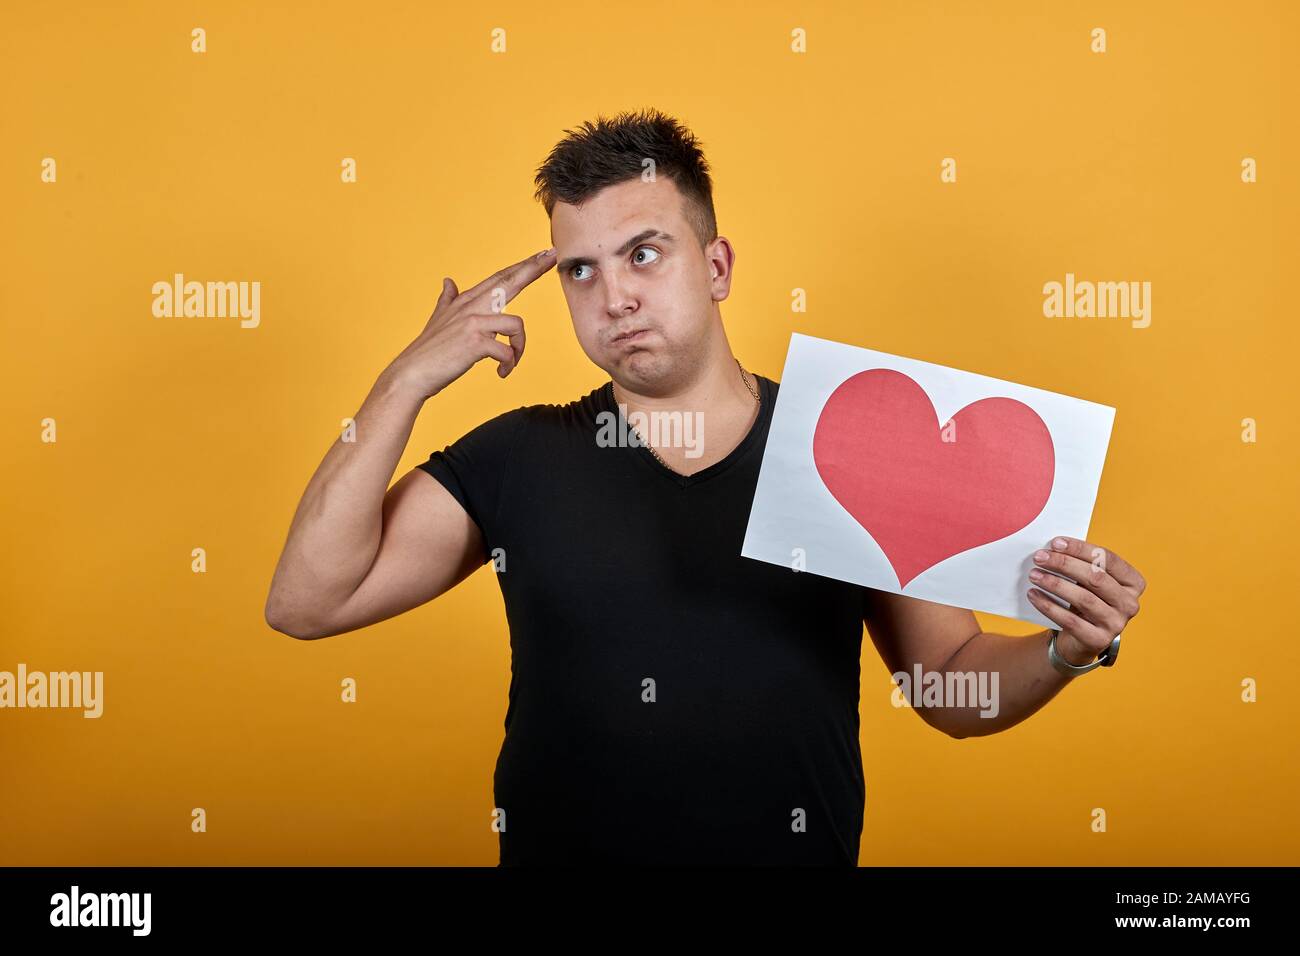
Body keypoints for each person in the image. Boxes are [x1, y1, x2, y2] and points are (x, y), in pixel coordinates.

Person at [264, 108, 1146, 865]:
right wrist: (405, 381)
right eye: (581, 270)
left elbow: (952, 684)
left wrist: (1066, 650)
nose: (613, 296)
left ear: (717, 267)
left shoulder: (843, 449)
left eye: (644, 253)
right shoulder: (515, 457)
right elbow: (308, 600)